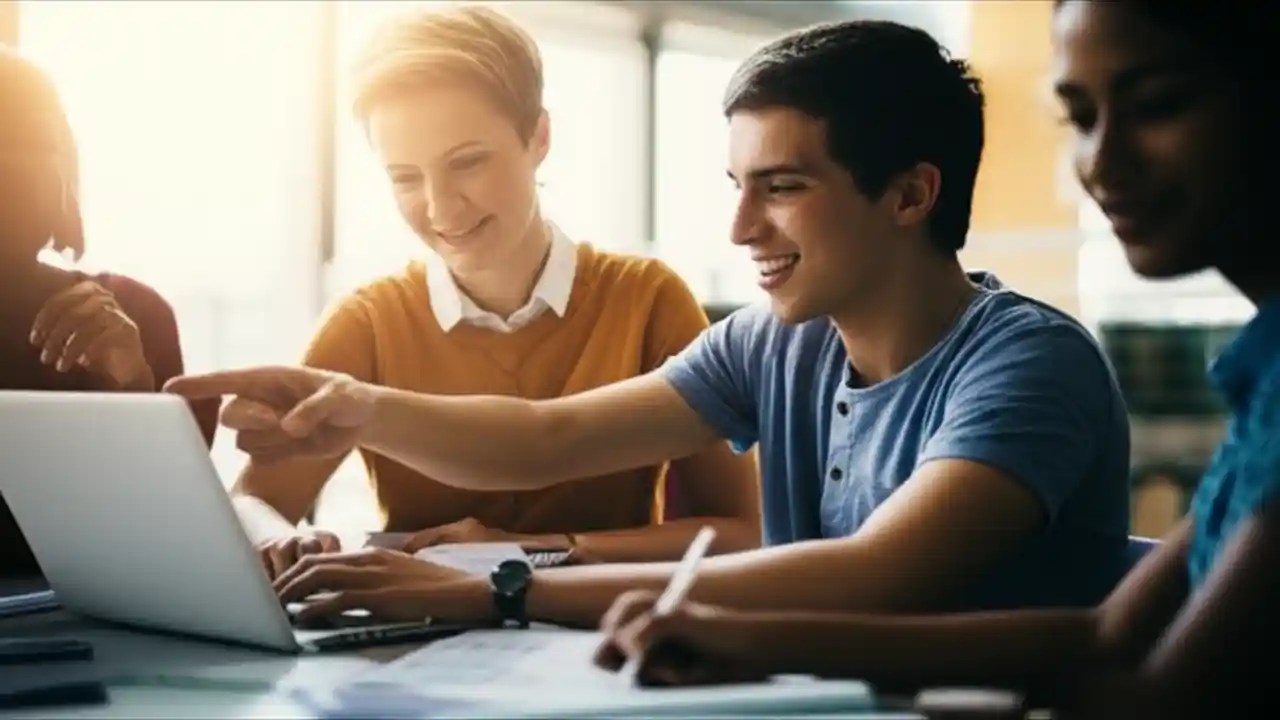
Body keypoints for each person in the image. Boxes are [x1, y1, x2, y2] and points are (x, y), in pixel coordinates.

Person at [168, 18, 1132, 629]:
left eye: (782, 188)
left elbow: (881, 576)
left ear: (911, 194)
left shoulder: (1027, 363)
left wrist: (500, 589)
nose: (741, 228)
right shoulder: (776, 339)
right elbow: (550, 437)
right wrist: (358, 406)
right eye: (736, 187)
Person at [584, 3, 1280, 718]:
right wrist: (746, 641)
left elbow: (1158, 693)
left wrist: (513, 589)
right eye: (1079, 118)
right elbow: (1106, 637)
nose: (1102, 163)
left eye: (1159, 106)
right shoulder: (1264, 379)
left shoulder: (1034, 357)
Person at [225, 5, 761, 577]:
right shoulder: (369, 321)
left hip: (599, 627)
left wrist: (533, 551)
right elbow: (252, 503)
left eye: (469, 163)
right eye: (405, 177)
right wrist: (281, 539)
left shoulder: (647, 301)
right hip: (418, 639)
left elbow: (741, 533)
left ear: (539, 138)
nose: (439, 208)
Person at [0, 45, 218, 577]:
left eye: (33, 142)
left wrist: (131, 386)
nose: (14, 166)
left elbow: (172, 535)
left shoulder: (133, 316)